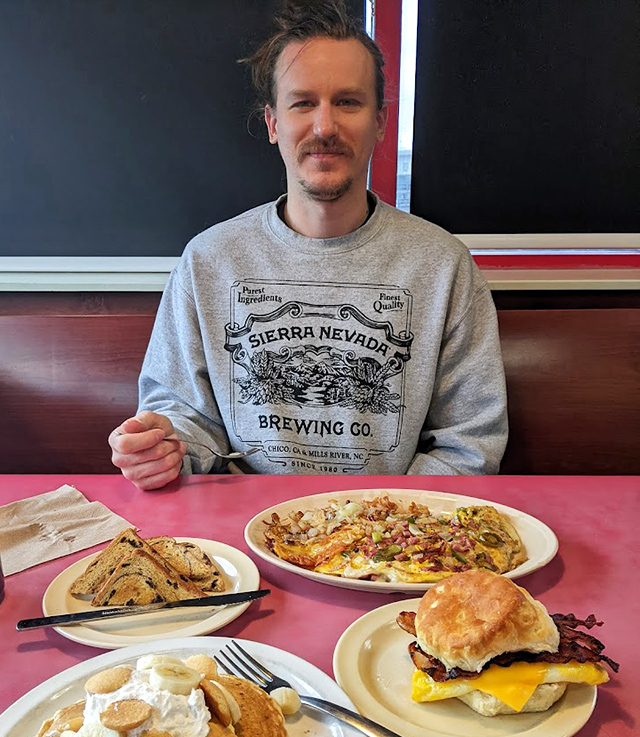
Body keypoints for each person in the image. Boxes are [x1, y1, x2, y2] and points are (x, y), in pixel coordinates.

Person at [109, 0, 508, 490]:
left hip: (388, 546)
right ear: (274, 123)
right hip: (241, 531)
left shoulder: (444, 265)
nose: (324, 127)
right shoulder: (209, 260)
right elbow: (188, 420)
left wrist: (377, 527)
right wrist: (165, 446)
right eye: (303, 103)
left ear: (380, 121)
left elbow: (469, 443)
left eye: (348, 102)